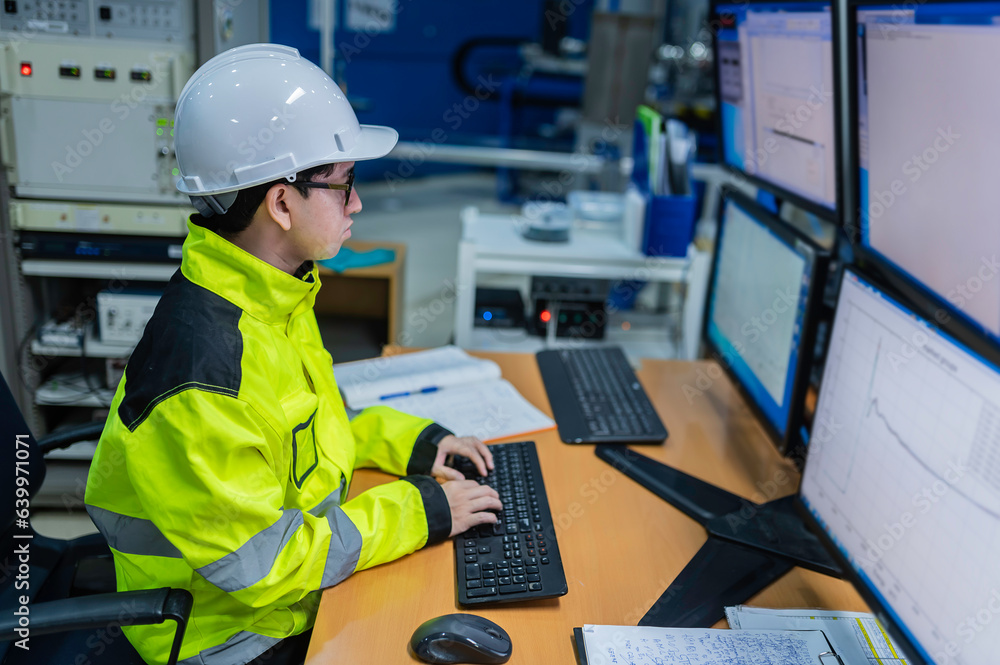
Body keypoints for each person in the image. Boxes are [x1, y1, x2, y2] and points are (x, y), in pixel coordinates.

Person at [84, 44, 502, 665]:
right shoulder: (206, 371)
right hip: (226, 634)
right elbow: (264, 565)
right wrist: (419, 511)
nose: (356, 203)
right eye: (343, 184)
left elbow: (308, 437)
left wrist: (413, 445)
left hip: (285, 594)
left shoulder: (270, 293)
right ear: (281, 204)